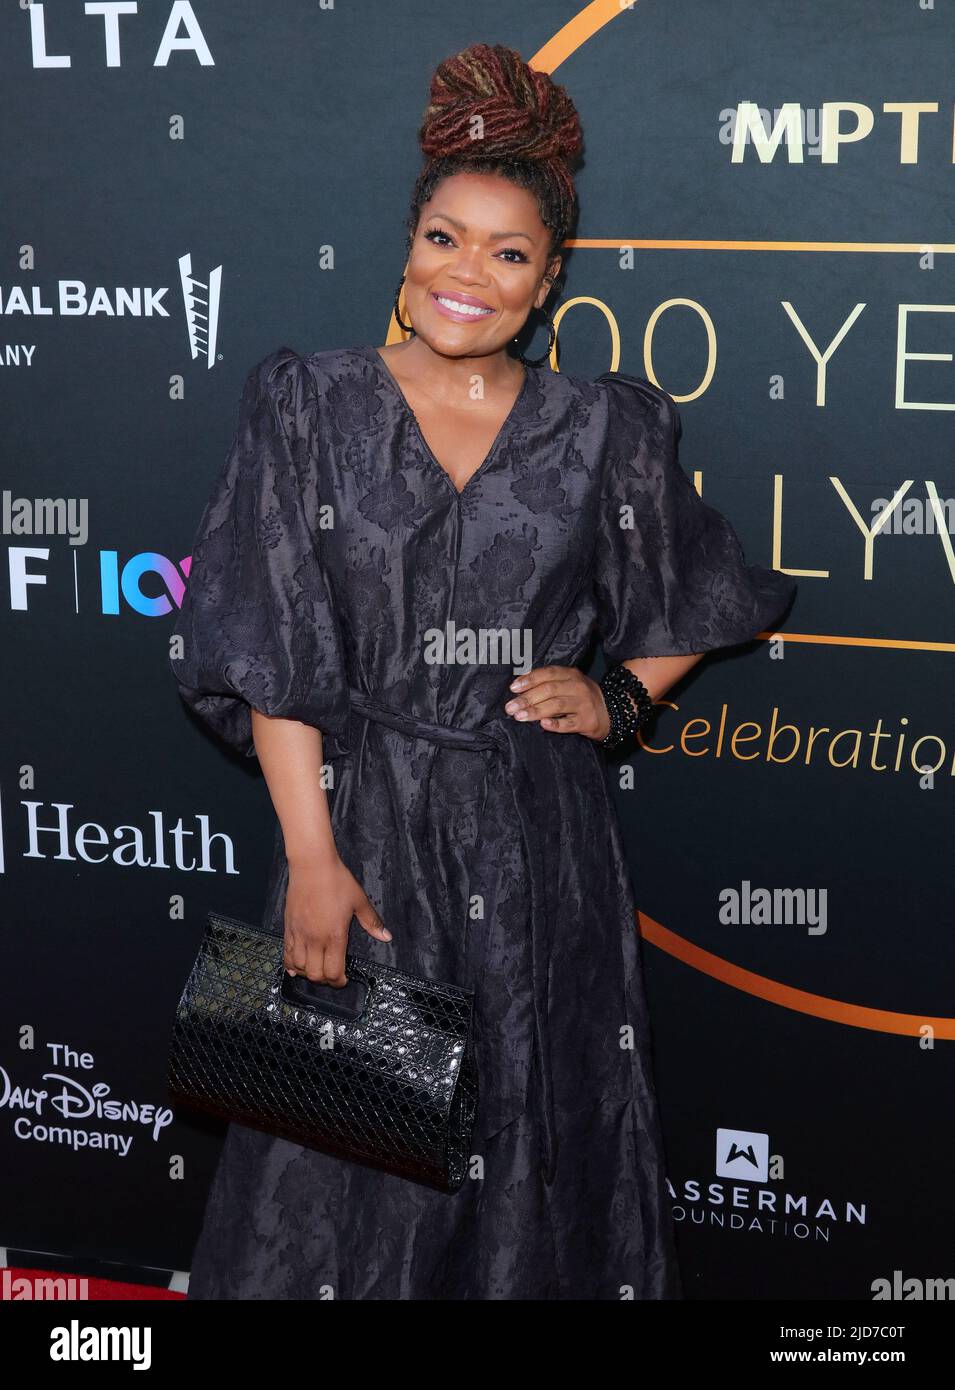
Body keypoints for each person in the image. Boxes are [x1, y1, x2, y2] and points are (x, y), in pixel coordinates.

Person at [169, 42, 796, 1300]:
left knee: (526, 1138)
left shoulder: (605, 427)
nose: (470, 274)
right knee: (341, 1152)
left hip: (535, 843)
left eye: (507, 253)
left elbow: (707, 589)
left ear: (549, 276)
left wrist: (617, 696)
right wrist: (311, 860)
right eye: (446, 238)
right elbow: (274, 648)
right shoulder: (309, 405)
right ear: (407, 247)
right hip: (365, 828)